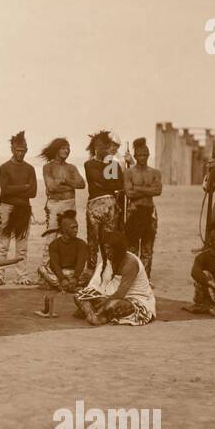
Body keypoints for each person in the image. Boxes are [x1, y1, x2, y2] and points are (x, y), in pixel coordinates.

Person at [73, 230, 156, 326]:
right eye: (105, 248)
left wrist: (103, 302)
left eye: (109, 249)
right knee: (79, 296)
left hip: (134, 300)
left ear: (118, 249)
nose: (107, 252)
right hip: (110, 296)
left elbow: (120, 294)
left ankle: (96, 314)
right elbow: (97, 285)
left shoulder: (130, 263)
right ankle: (92, 315)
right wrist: (99, 298)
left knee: (112, 306)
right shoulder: (109, 260)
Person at [0, 130, 37, 285]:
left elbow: (33, 192)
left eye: (23, 151)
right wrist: (24, 186)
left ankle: (22, 276)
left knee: (22, 245)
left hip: (24, 209)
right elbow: (5, 190)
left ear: (26, 151)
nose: (20, 154)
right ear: (12, 150)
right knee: (3, 244)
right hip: (7, 207)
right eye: (17, 150)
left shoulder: (30, 168)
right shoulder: (4, 167)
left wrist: (16, 188)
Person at [83, 129, 126, 272]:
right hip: (95, 205)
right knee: (93, 241)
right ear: (95, 148)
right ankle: (91, 272)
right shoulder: (89, 164)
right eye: (100, 147)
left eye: (105, 147)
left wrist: (104, 184)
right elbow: (105, 182)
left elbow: (118, 184)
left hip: (110, 206)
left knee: (108, 241)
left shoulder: (112, 164)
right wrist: (107, 183)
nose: (103, 149)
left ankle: (108, 271)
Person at [35, 208, 89, 317]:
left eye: (77, 227)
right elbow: (55, 265)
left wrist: (75, 277)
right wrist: (62, 279)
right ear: (64, 229)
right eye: (73, 228)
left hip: (74, 275)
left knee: (90, 273)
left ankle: (62, 287)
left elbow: (81, 263)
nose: (76, 230)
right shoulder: (54, 244)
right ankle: (67, 287)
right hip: (60, 276)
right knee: (42, 268)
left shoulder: (82, 244)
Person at [124, 136, 163, 278]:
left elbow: (158, 191)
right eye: (139, 155)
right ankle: (132, 276)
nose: (142, 158)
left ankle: (145, 278)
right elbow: (129, 193)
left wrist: (138, 188)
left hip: (149, 211)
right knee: (132, 247)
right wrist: (147, 189)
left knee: (147, 248)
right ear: (135, 156)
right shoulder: (129, 172)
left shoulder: (154, 172)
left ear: (148, 155)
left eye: (145, 155)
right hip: (134, 211)